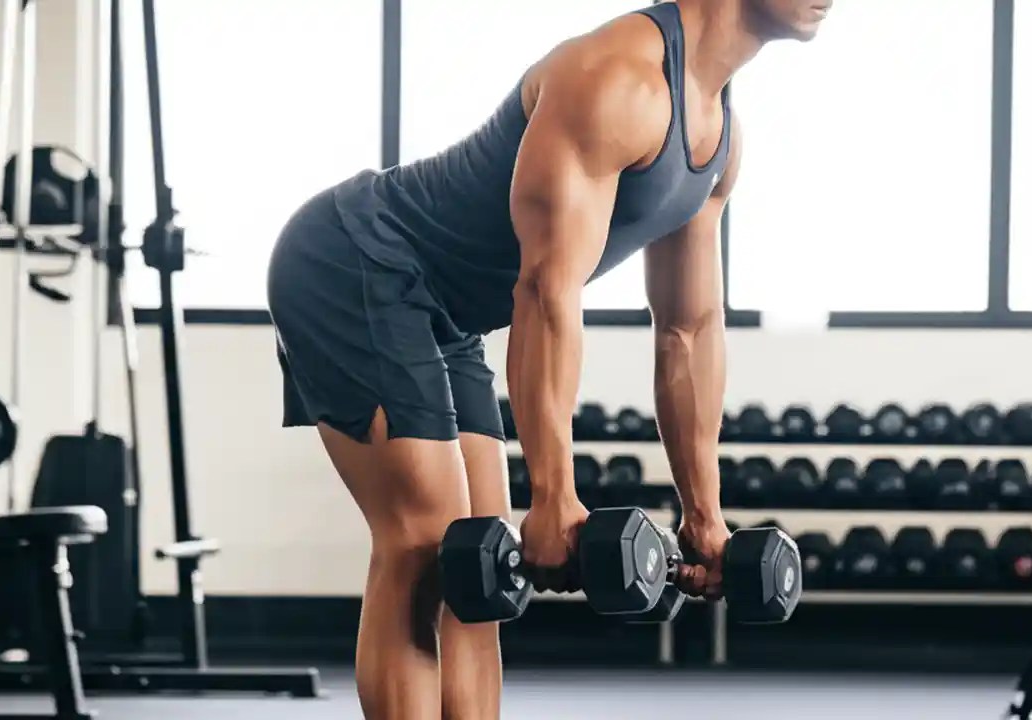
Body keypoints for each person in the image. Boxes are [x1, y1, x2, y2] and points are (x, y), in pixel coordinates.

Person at [267, 0, 830, 717]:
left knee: (478, 573)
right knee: (424, 546)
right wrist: (554, 493)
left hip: (448, 311)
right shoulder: (617, 79)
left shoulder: (718, 138)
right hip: (355, 259)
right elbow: (545, 289)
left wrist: (704, 515)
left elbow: (688, 329)